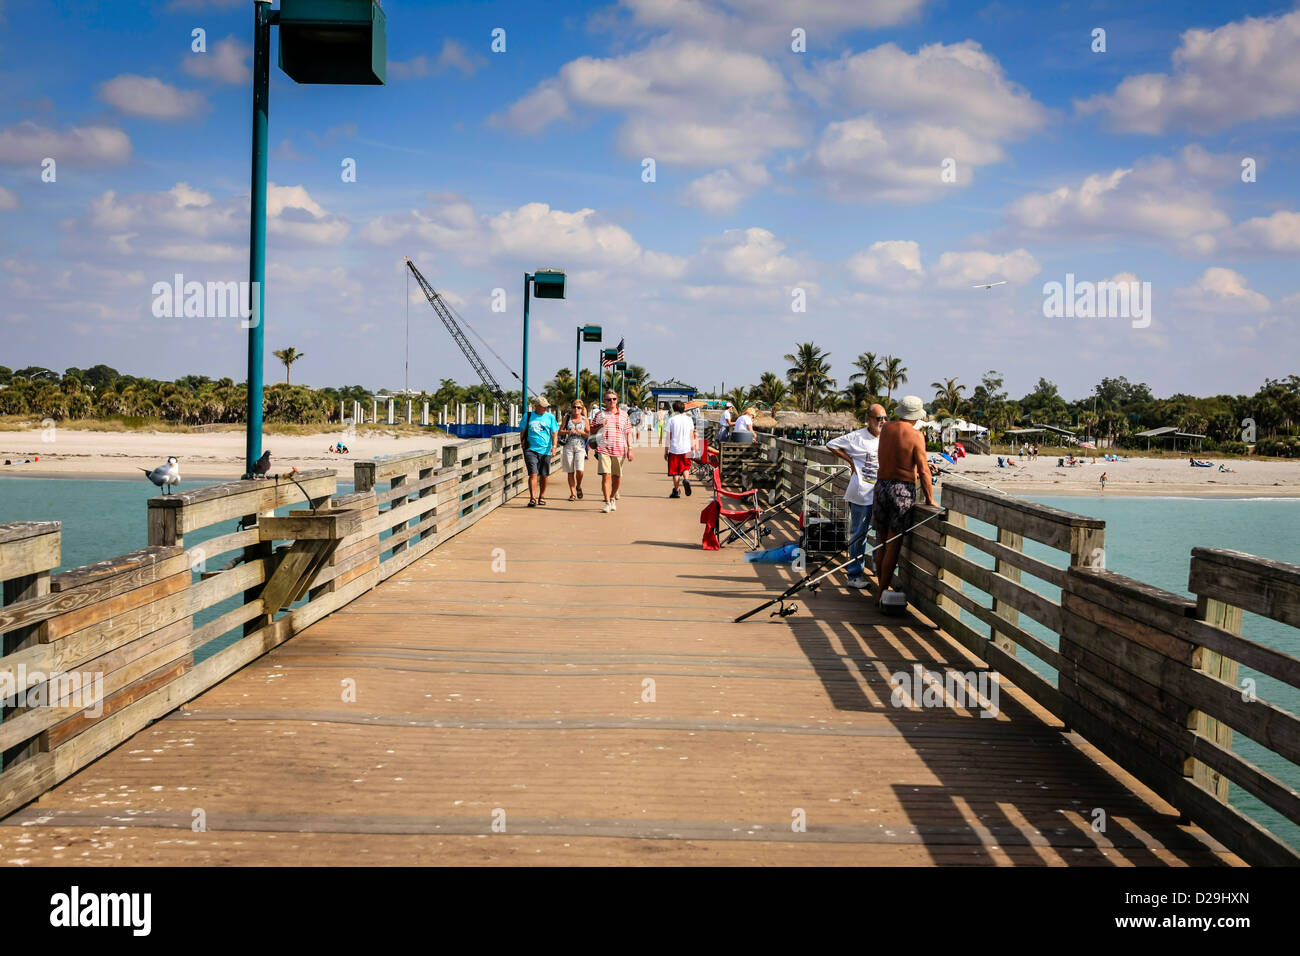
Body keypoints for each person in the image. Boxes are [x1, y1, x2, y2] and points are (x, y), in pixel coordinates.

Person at [872, 395, 936, 610]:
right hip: (901, 490)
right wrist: (930, 499)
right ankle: (882, 593)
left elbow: (896, 456)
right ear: (916, 416)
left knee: (881, 542)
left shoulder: (887, 429)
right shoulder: (916, 435)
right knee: (893, 545)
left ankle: (879, 591)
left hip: (881, 486)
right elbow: (924, 471)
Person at [826, 403, 884, 589]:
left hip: (881, 493)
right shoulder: (857, 436)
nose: (882, 421)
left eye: (884, 418)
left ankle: (877, 567)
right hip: (861, 492)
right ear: (868, 419)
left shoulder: (887, 437)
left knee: (881, 533)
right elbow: (831, 444)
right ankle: (854, 575)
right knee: (860, 534)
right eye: (878, 418)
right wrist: (851, 462)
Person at [590, 390, 635, 512]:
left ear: (617, 400)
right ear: (605, 401)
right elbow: (591, 431)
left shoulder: (624, 415)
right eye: (609, 399)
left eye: (614, 399)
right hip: (603, 449)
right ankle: (607, 502)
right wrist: (600, 426)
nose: (611, 402)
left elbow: (628, 432)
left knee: (617, 477)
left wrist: (630, 449)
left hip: (619, 449)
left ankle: (612, 497)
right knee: (606, 476)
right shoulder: (600, 415)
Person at [520, 395, 559, 507]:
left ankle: (542, 496)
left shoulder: (550, 417)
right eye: (543, 407)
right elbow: (522, 432)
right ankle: (533, 498)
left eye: (546, 406)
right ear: (536, 406)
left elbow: (555, 433)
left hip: (545, 450)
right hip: (530, 449)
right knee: (533, 474)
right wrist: (522, 444)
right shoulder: (527, 416)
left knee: (544, 475)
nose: (545, 408)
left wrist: (554, 447)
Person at [663, 400, 696, 498]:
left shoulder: (671, 420)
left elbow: (668, 437)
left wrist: (666, 451)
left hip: (674, 449)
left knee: (675, 471)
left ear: (674, 409)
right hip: (686, 448)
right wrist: (693, 447)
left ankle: (676, 491)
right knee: (685, 467)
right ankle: (686, 479)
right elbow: (691, 435)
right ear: (683, 409)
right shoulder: (689, 419)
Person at [559, 400, 590, 501]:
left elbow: (588, 435)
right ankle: (572, 494)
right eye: (574, 407)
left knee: (580, 470)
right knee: (570, 471)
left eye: (578, 407)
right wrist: (568, 431)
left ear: (582, 409)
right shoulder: (567, 418)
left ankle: (579, 486)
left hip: (580, 447)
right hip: (568, 446)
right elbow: (560, 431)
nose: (576, 409)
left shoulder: (585, 419)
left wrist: (581, 432)